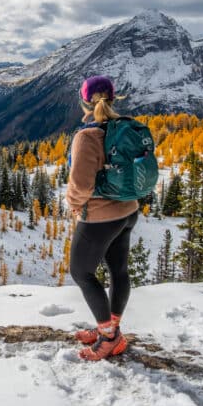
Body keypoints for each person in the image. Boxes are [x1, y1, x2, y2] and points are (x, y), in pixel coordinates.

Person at [66, 75, 140, 361]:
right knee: (118, 270)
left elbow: (81, 185)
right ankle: (111, 327)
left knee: (81, 272)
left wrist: (73, 205)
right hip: (128, 211)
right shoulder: (125, 128)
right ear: (113, 97)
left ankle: (109, 337)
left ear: (84, 102)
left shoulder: (87, 136)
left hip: (99, 217)